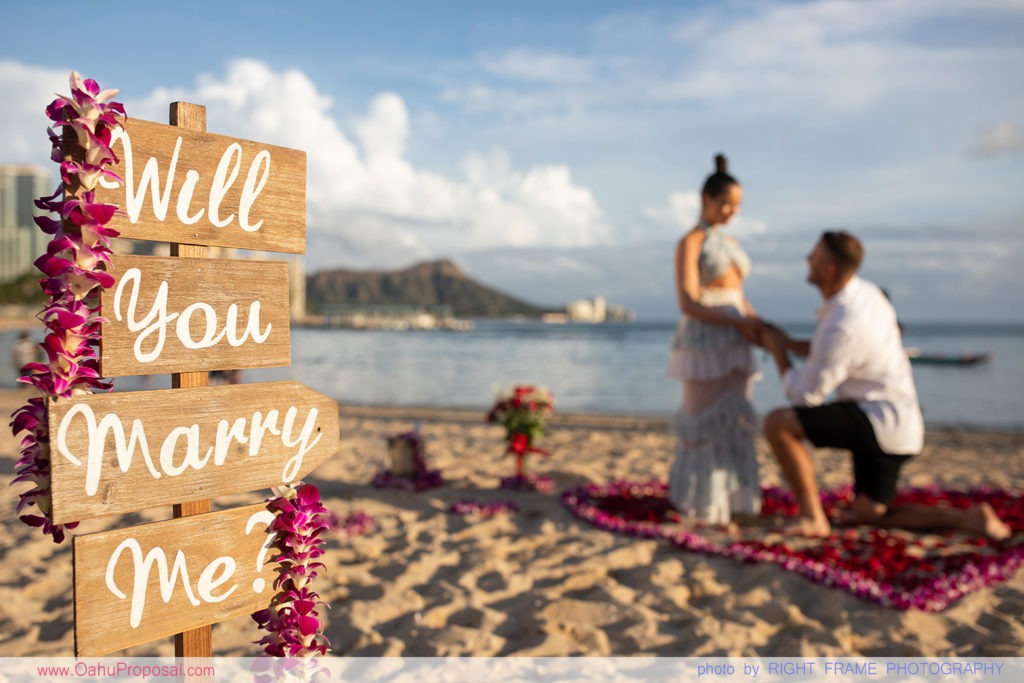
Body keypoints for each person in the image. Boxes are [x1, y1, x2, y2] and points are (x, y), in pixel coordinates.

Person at [761, 231, 1010, 540]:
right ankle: (970, 520)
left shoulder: (842, 321)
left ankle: (813, 517)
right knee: (871, 515)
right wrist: (789, 343)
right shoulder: (869, 295)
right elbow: (837, 352)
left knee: (778, 424)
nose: (807, 259)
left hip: (876, 419)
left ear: (829, 268)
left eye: (814, 255)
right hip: (902, 423)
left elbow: (805, 396)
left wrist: (778, 351)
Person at [665, 153, 765, 524]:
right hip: (706, 339)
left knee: (736, 418)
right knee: (702, 417)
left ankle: (735, 500)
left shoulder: (731, 241)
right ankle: (700, 502)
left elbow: (738, 296)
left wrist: (758, 324)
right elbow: (688, 301)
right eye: (725, 203)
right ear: (705, 200)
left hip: (737, 338)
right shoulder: (690, 241)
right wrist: (736, 323)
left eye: (737, 206)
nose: (731, 212)